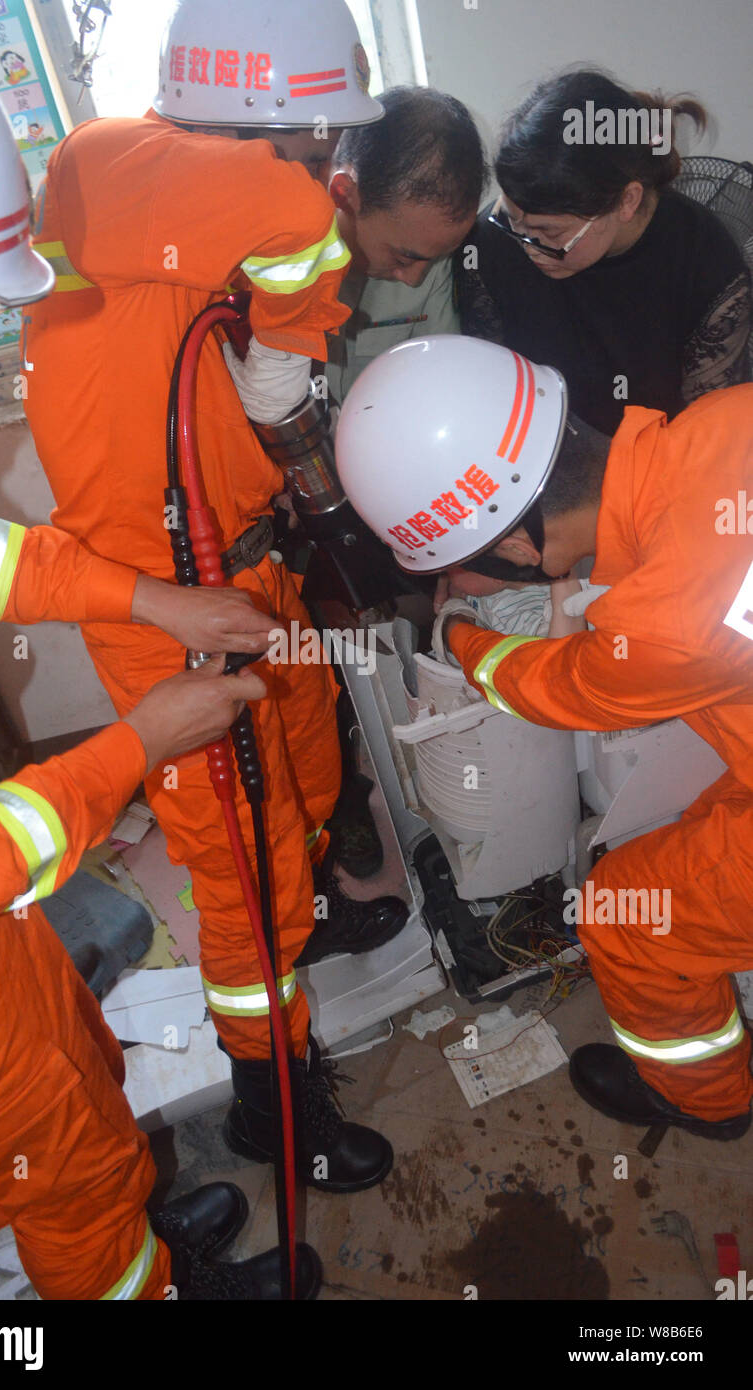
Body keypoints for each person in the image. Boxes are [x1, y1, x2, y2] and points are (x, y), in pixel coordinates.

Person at [0, 1, 327, 1302]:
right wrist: (145, 739)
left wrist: (153, 603)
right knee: (66, 1187)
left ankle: (135, 1232)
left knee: (80, 1094)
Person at [23, 0, 399, 1194]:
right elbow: (296, 223)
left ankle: (306, 934)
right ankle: (271, 1100)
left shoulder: (197, 211)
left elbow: (280, 240)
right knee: (241, 864)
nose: (325, 172)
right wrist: (293, 333)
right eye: (317, 140)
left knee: (305, 770)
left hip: (244, 566)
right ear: (258, 118)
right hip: (161, 602)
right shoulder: (105, 165)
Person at [336, 333, 753, 1139]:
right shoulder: (724, 419)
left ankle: (710, 1102)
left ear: (524, 547)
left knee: (624, 916)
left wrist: (459, 633)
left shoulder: (664, 622)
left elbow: (557, 689)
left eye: (459, 566)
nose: (451, 583)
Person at [456, 69, 752, 436]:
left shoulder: (702, 261)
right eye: (512, 220)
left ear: (627, 201)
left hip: (658, 463)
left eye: (549, 232)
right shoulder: (491, 244)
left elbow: (710, 430)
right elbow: (484, 391)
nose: (527, 246)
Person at [323, 85, 486, 402]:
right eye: (402, 258)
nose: (415, 279)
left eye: (438, 258)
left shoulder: (429, 257)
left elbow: (439, 380)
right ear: (343, 194)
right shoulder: (280, 262)